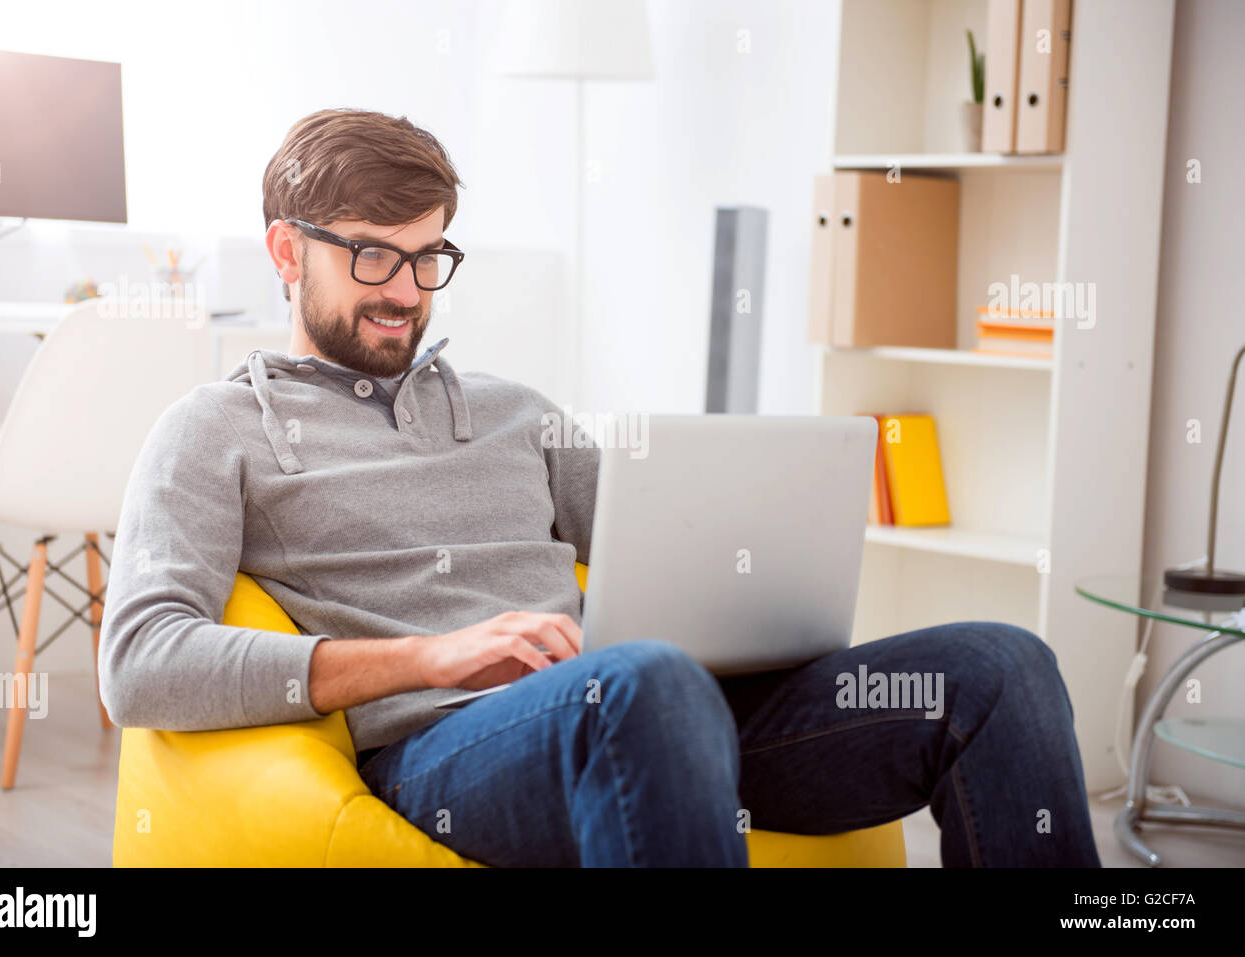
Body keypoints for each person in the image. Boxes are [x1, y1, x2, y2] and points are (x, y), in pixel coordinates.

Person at [98, 108, 1101, 867]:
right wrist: (430, 655)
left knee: (998, 665)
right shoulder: (212, 430)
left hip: (664, 718)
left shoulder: (515, 410)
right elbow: (141, 663)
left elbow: (659, 553)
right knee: (644, 684)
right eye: (370, 255)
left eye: (426, 256)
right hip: (454, 757)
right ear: (287, 249)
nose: (404, 290)